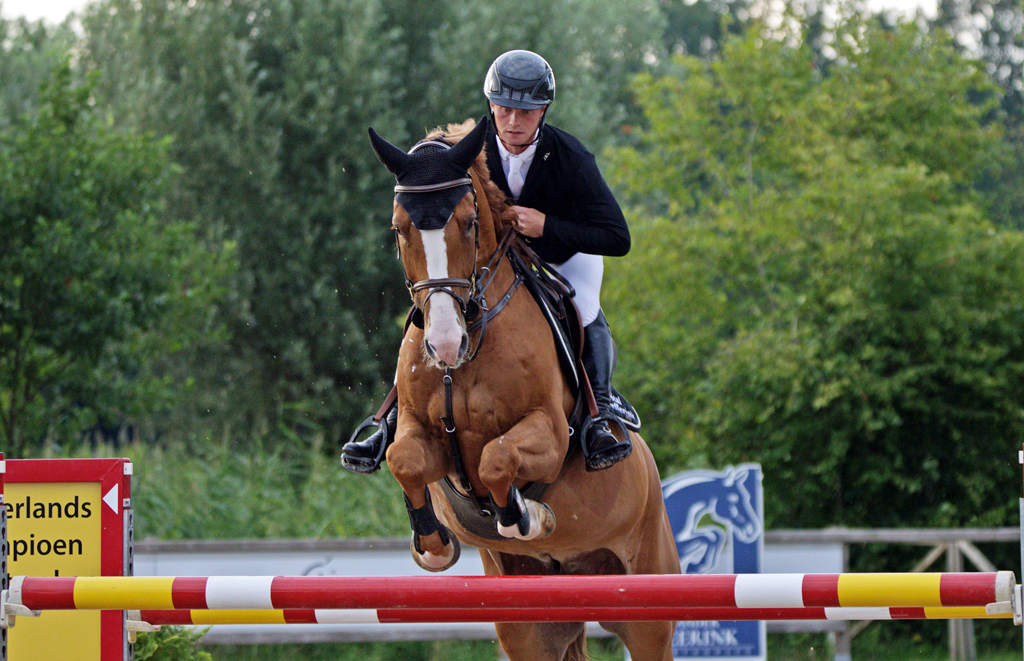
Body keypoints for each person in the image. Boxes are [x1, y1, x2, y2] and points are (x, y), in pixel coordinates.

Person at [342, 49, 632, 473]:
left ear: (544, 110)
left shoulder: (571, 158)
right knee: (434, 308)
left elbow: (617, 237)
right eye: (504, 109)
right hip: (499, 258)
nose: (513, 122)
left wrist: (548, 226)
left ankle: (598, 416)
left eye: (527, 112)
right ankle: (387, 422)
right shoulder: (472, 149)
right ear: (491, 106)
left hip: (564, 255)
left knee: (585, 310)